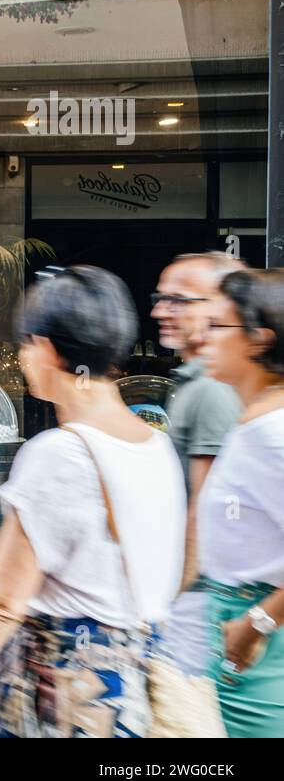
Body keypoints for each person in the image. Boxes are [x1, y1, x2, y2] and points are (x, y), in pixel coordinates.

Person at [0, 266, 185, 738]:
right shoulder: (156, 447)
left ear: (47, 350)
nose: (21, 358)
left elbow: (0, 604)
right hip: (130, 697)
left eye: (26, 345)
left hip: (64, 697)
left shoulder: (59, 454)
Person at [198, 268, 284, 738]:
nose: (203, 336)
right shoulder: (255, 421)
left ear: (257, 340)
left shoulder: (273, 432)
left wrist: (257, 622)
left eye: (218, 326)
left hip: (261, 648)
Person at [151, 252, 245, 676]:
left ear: (218, 308)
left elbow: (204, 512)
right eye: (161, 298)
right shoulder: (196, 382)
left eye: (178, 300)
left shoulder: (210, 389)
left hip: (200, 602)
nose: (159, 310)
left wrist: (171, 601)